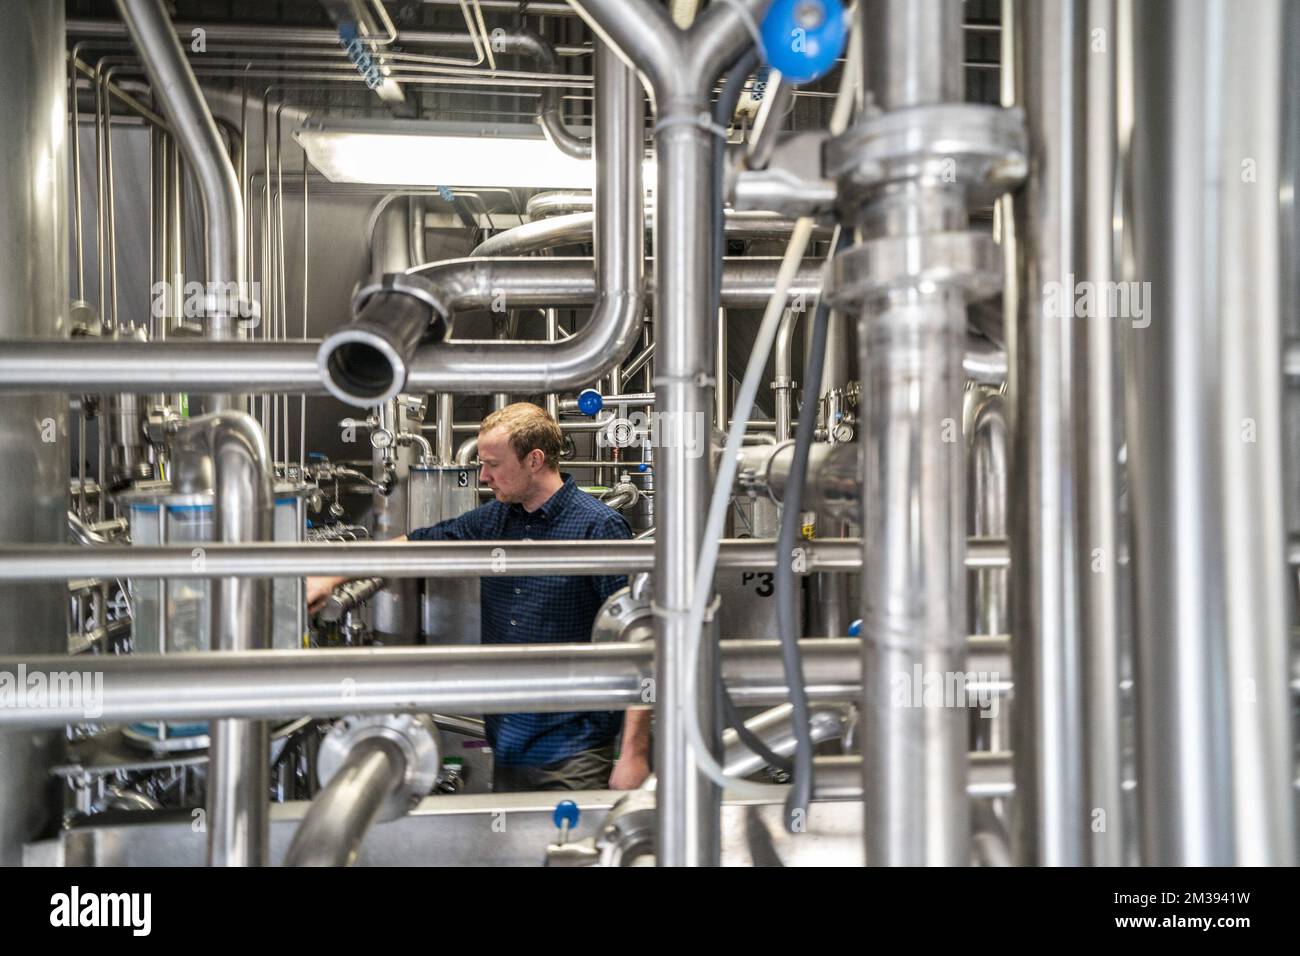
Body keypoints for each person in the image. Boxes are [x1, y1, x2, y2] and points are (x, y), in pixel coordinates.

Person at [307, 402, 651, 792]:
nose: (483, 475)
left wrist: (633, 754)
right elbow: (418, 545)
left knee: (566, 851)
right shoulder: (498, 518)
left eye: (493, 464)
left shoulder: (599, 527)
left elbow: (640, 643)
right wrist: (331, 576)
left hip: (573, 752)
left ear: (534, 460)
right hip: (507, 744)